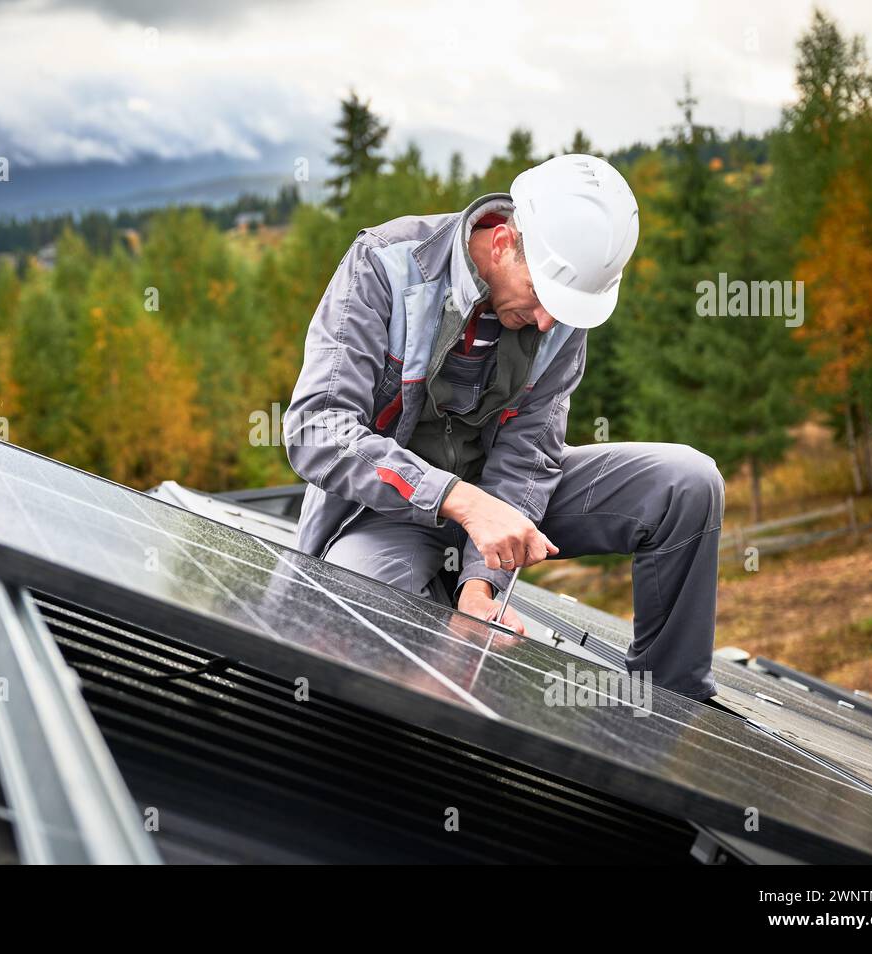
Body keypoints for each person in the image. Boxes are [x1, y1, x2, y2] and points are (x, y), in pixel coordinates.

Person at [284, 154, 723, 700]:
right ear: (501, 243)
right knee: (366, 603)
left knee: (687, 483)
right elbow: (316, 430)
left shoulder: (559, 315)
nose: (547, 322)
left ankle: (672, 707)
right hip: (385, 513)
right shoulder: (386, 266)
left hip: (507, 509)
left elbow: (527, 458)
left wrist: (479, 583)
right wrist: (460, 501)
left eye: (562, 309)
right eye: (541, 297)